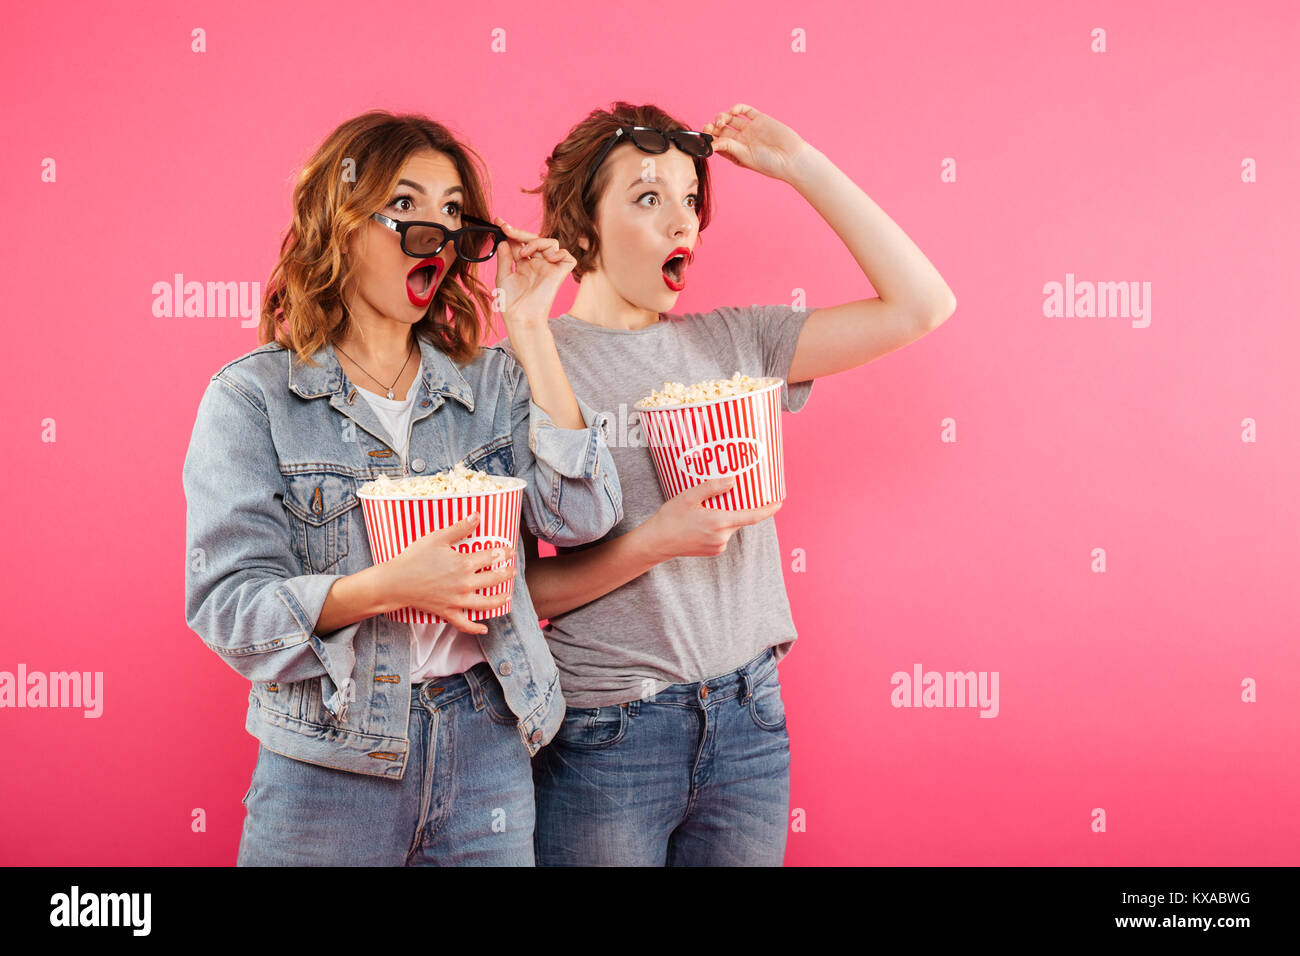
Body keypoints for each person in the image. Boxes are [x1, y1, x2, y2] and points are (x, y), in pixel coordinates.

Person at [521, 101, 956, 865]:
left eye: (691, 199)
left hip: (749, 722)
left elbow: (923, 306)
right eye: (648, 197)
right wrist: (653, 543)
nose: (681, 221)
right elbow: (519, 591)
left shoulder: (736, 343)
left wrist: (800, 166)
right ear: (583, 229)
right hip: (608, 733)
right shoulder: (529, 365)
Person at [182, 110, 622, 866]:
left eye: (453, 211)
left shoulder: (493, 384)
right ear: (344, 224)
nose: (439, 231)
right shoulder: (253, 398)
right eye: (409, 206)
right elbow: (228, 609)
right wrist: (385, 586)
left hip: (488, 741)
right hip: (330, 758)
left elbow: (583, 514)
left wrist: (529, 325)